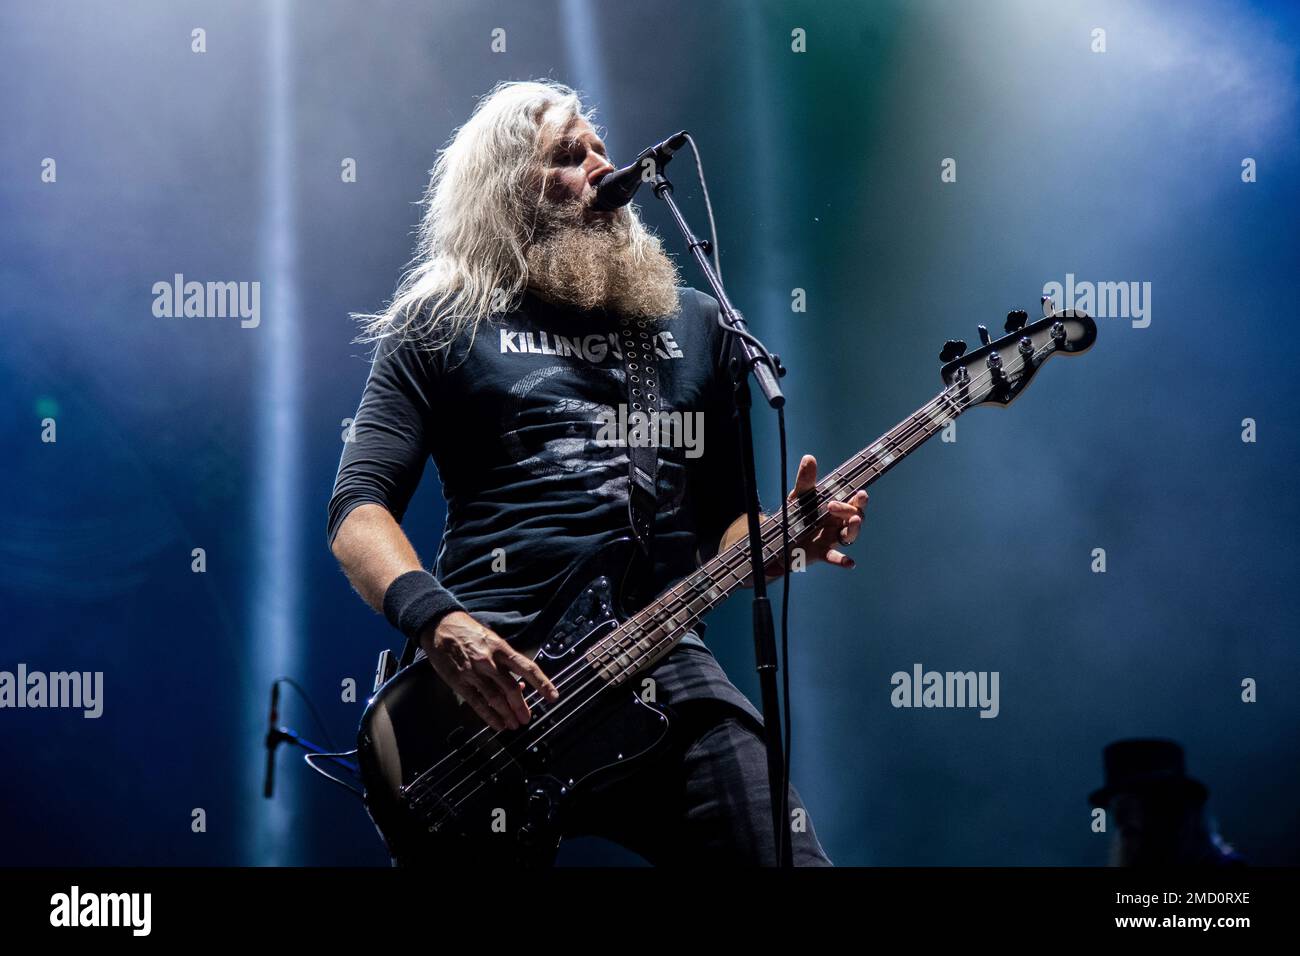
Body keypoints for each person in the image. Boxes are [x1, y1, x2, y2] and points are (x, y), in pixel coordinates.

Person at [328, 79, 868, 866]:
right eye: (569, 153)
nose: (602, 164)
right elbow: (356, 512)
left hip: (663, 664)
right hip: (488, 682)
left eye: (600, 145)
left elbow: (727, 530)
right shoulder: (443, 324)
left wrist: (784, 537)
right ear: (512, 190)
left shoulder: (694, 324)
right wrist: (440, 626)